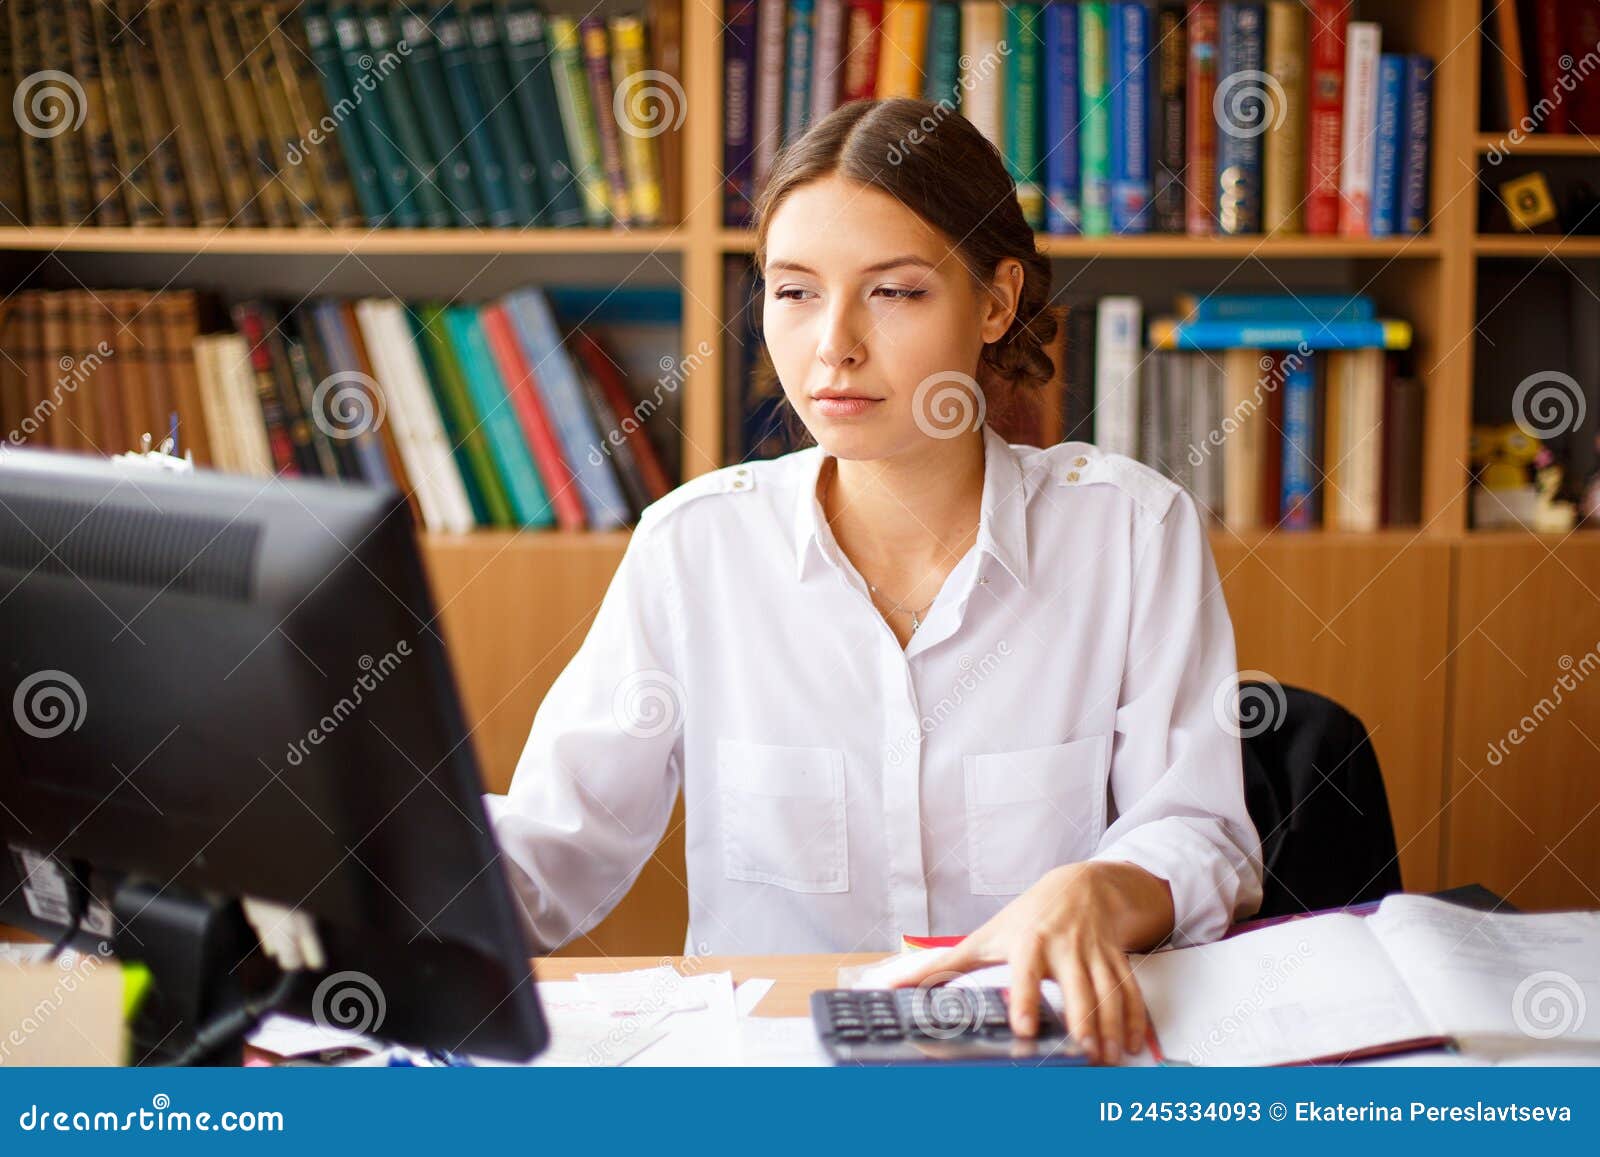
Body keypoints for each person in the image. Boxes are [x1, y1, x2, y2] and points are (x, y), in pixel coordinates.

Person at [485, 98, 1263, 1064]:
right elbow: (553, 846)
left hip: (1036, 1058)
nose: (833, 345)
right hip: (777, 1074)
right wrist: (354, 890)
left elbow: (1201, 831)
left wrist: (1106, 886)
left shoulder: (1129, 531)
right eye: (794, 291)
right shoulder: (695, 547)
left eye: (893, 292)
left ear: (995, 302)